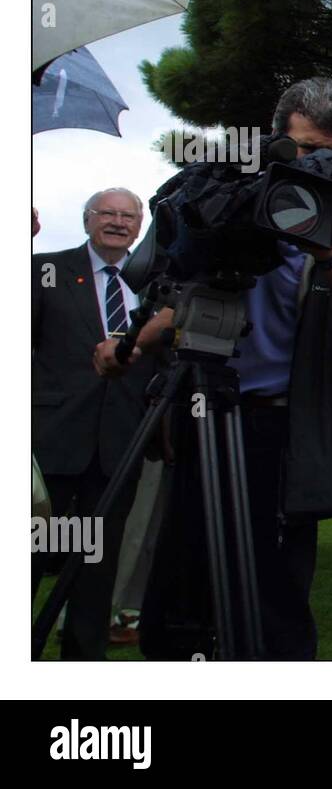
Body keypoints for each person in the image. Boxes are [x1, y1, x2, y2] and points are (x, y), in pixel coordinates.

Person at [97, 78, 332, 660]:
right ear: (274, 141)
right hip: (197, 416)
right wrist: (128, 347)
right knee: (179, 587)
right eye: (305, 150)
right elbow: (180, 301)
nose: (317, 167)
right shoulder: (235, 204)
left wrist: (329, 252)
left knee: (271, 603)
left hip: (280, 434)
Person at [32, 188, 157, 659]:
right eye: (108, 213)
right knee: (33, 552)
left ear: (139, 227)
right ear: (87, 220)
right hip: (54, 438)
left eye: (128, 216)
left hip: (120, 443)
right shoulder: (46, 270)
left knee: (97, 561)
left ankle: (83, 657)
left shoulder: (154, 282)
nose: (118, 222)